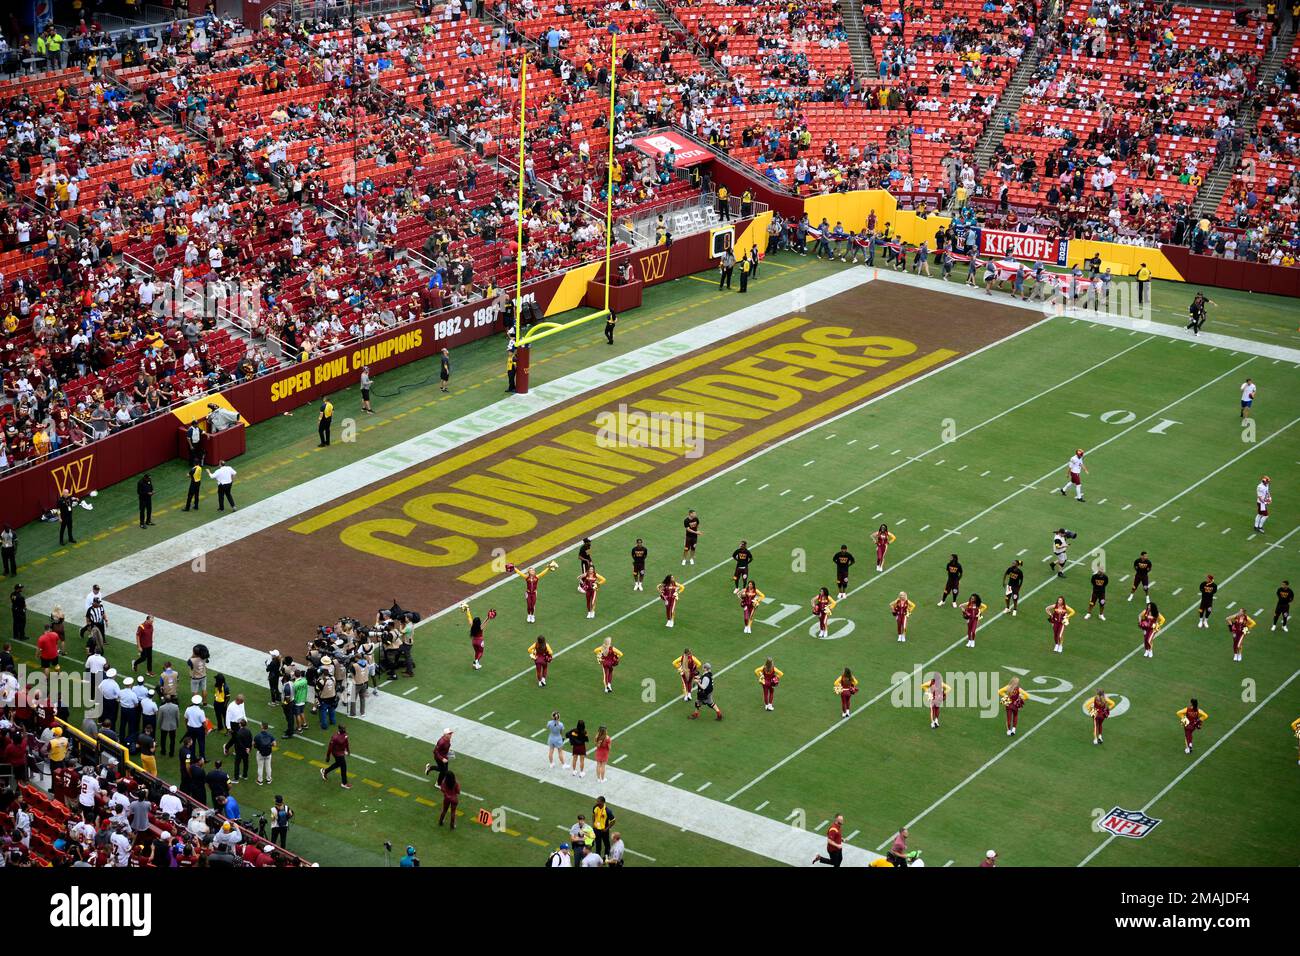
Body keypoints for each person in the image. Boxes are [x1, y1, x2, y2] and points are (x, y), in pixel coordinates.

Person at [320, 724, 351, 789]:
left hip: (341, 752)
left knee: (338, 764)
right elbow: (330, 747)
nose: (344, 730)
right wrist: (328, 756)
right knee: (343, 767)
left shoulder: (345, 734)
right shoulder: (335, 737)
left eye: (345, 728)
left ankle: (325, 771)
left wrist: (348, 750)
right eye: (343, 729)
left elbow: (346, 742)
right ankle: (344, 783)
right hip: (337, 753)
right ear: (339, 729)